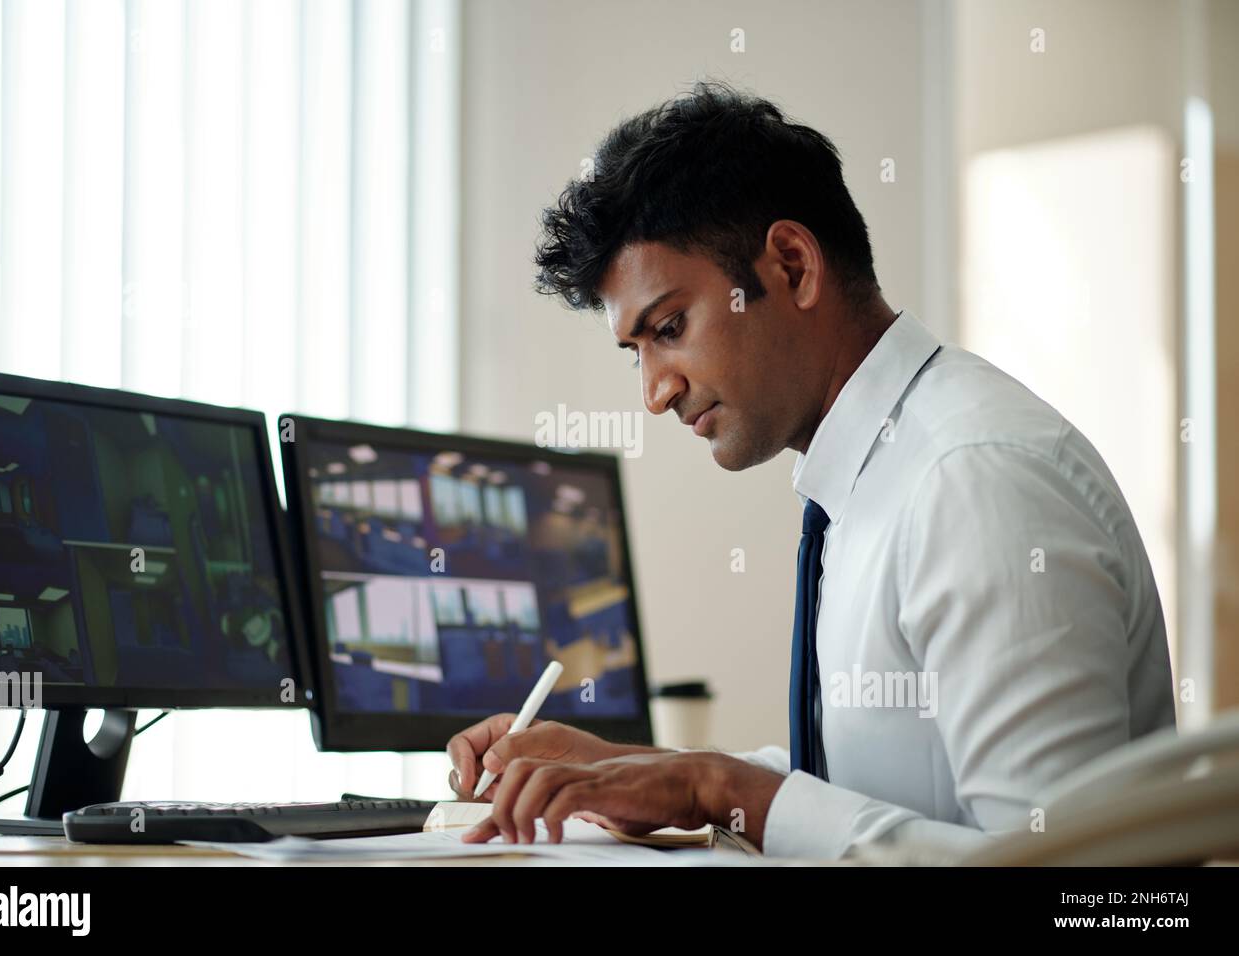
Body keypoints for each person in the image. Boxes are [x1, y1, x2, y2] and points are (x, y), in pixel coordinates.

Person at [448, 81, 1177, 858]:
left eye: (669, 327)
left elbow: (1077, 884)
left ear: (792, 265)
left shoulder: (973, 481)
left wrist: (718, 792)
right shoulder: (874, 475)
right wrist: (636, 770)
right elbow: (870, 787)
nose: (656, 393)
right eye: (637, 351)